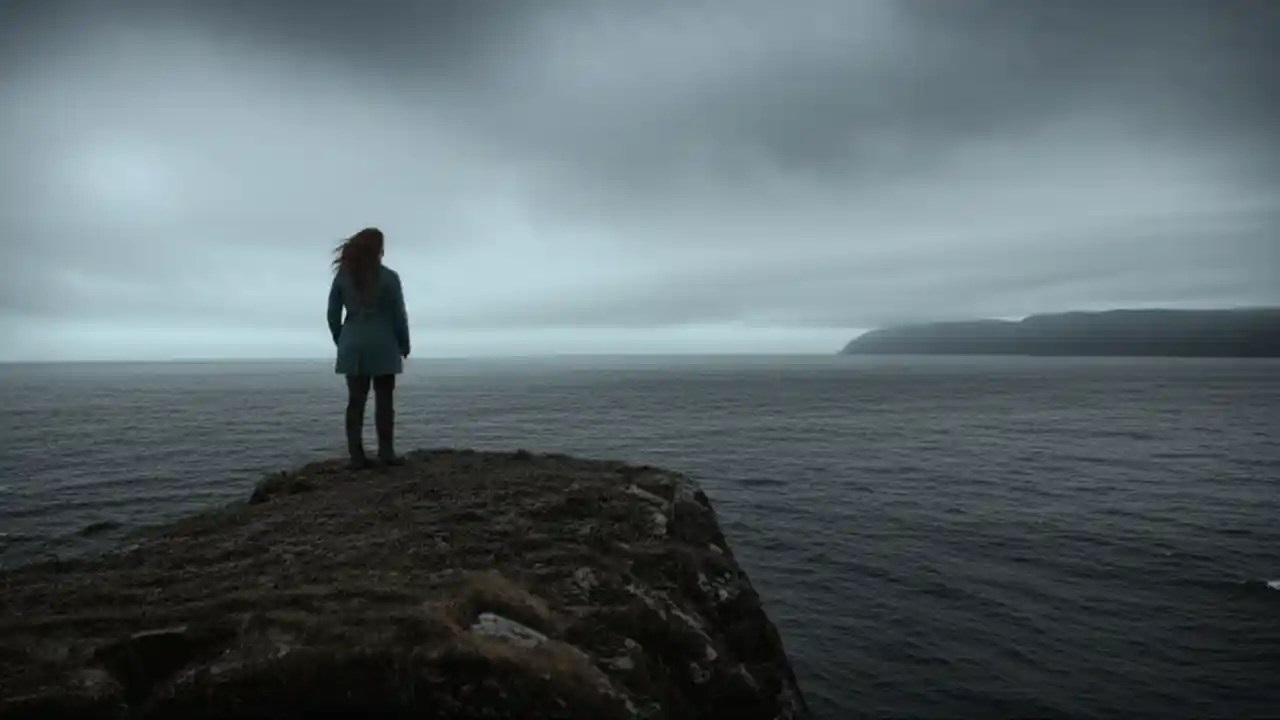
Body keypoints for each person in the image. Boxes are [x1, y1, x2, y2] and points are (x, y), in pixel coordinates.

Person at [327, 227, 410, 469]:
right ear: (378, 249)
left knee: (356, 401)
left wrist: (341, 340)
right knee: (385, 401)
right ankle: (386, 454)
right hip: (384, 344)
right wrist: (404, 344)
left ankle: (357, 457)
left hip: (353, 345)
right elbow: (398, 316)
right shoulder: (390, 277)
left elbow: (332, 314)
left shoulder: (344, 276)